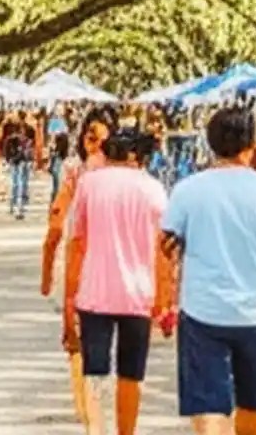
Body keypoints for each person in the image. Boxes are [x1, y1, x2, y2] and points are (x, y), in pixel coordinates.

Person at [162, 107, 256, 435]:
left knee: (209, 406)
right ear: (252, 143)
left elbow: (166, 246)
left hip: (202, 312)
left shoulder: (188, 190)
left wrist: (167, 294)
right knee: (253, 407)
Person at [70, 127, 173, 435]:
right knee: (131, 374)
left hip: (94, 292)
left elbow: (77, 240)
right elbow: (164, 249)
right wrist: (166, 299)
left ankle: (97, 430)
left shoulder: (89, 184)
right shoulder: (153, 188)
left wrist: (69, 295)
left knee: (95, 372)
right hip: (138, 294)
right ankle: (126, 431)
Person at [41, 108, 113, 425]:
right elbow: (56, 224)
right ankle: (90, 417)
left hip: (111, 271)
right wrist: (47, 270)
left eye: (101, 139)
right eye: (90, 137)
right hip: (77, 266)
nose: (94, 144)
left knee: (99, 344)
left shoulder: (124, 177)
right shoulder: (74, 173)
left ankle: (96, 410)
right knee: (77, 344)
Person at [3, 112, 35, 219]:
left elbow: (30, 149)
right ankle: (14, 204)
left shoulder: (27, 137)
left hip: (22, 161)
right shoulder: (11, 139)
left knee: (20, 183)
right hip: (16, 161)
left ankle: (18, 206)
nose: (22, 135)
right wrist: (9, 159)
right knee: (16, 183)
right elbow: (6, 149)